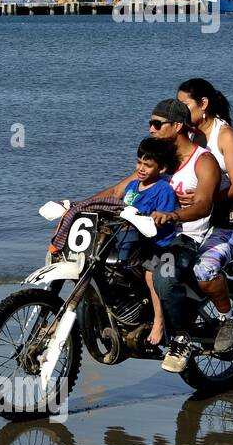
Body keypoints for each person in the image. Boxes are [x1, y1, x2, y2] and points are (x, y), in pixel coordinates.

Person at [49, 137, 179, 346]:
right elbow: (119, 207)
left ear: (161, 167)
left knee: (150, 276)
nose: (141, 168)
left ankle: (159, 322)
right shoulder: (133, 186)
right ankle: (86, 318)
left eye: (148, 165)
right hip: (130, 242)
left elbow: (165, 220)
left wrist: (155, 217)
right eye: (139, 162)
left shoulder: (163, 189)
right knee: (96, 270)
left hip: (157, 245)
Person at [146, 98, 224, 373]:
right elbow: (124, 188)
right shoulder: (161, 160)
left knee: (163, 275)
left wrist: (174, 215)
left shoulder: (204, 161)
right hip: (155, 233)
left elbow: (204, 204)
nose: (151, 129)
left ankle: (182, 337)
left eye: (157, 124)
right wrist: (77, 205)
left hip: (188, 237)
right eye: (150, 124)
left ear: (177, 126)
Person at [177, 78, 233, 353]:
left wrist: (204, 199)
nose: (180, 111)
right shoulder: (188, 135)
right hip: (190, 219)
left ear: (203, 104)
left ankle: (228, 320)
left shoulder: (226, 136)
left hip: (224, 223)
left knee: (203, 270)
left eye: (185, 105)